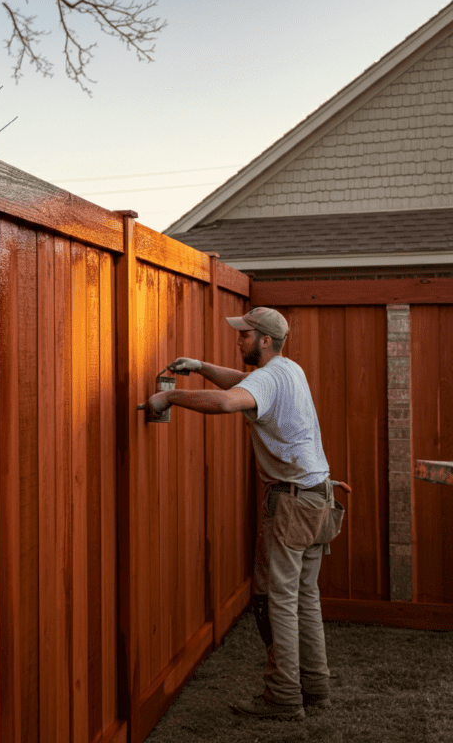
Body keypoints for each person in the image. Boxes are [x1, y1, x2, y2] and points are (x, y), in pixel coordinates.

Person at [142, 306, 345, 722]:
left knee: (279, 601)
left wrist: (171, 396)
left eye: (244, 335)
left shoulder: (269, 378)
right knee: (305, 598)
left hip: (291, 504)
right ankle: (316, 687)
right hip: (319, 499)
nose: (239, 341)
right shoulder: (290, 370)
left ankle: (285, 697)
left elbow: (228, 401)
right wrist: (199, 366)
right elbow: (244, 385)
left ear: (264, 341)